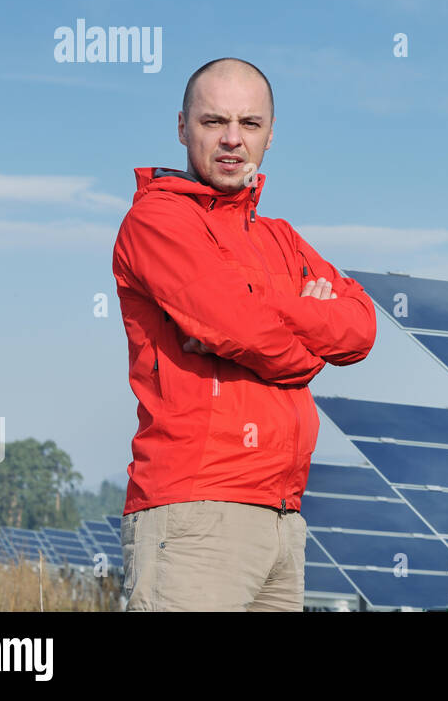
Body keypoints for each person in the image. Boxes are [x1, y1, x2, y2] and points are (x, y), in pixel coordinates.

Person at [111, 57, 376, 611]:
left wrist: (268, 309)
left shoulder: (281, 239)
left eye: (249, 124)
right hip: (195, 516)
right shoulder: (159, 221)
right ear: (182, 127)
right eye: (213, 123)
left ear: (270, 135)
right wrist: (305, 339)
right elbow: (241, 327)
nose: (232, 140)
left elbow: (360, 328)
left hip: (283, 518)